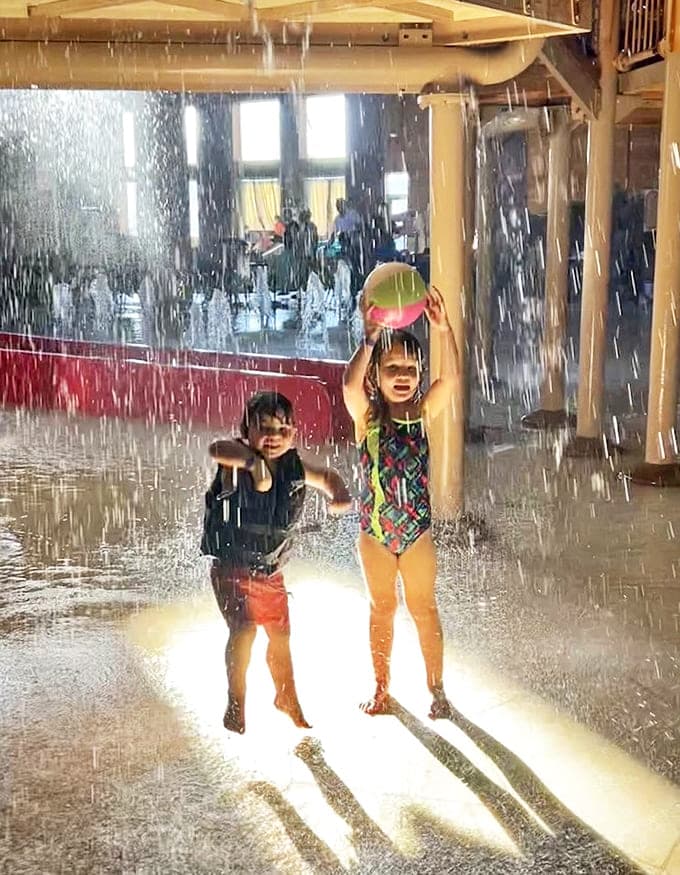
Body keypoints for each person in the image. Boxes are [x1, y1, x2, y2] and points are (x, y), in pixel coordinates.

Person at [201, 390, 352, 734]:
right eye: (264, 428)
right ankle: (236, 701)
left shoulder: (294, 466)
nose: (273, 437)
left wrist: (339, 494)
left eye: (283, 430)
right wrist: (254, 466)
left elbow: (326, 477)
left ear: (294, 434)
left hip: (270, 572)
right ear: (246, 431)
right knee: (244, 629)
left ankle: (286, 695)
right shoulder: (234, 459)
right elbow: (215, 449)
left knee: (281, 637)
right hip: (231, 567)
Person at [342, 286, 459, 720]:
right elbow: (348, 385)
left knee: (423, 608)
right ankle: (380, 687)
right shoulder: (367, 417)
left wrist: (443, 330)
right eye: (392, 368)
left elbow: (451, 380)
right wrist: (369, 338)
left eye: (411, 368)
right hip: (375, 533)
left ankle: (437, 688)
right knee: (382, 608)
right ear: (376, 376)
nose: (403, 375)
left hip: (416, 533)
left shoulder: (423, 413)